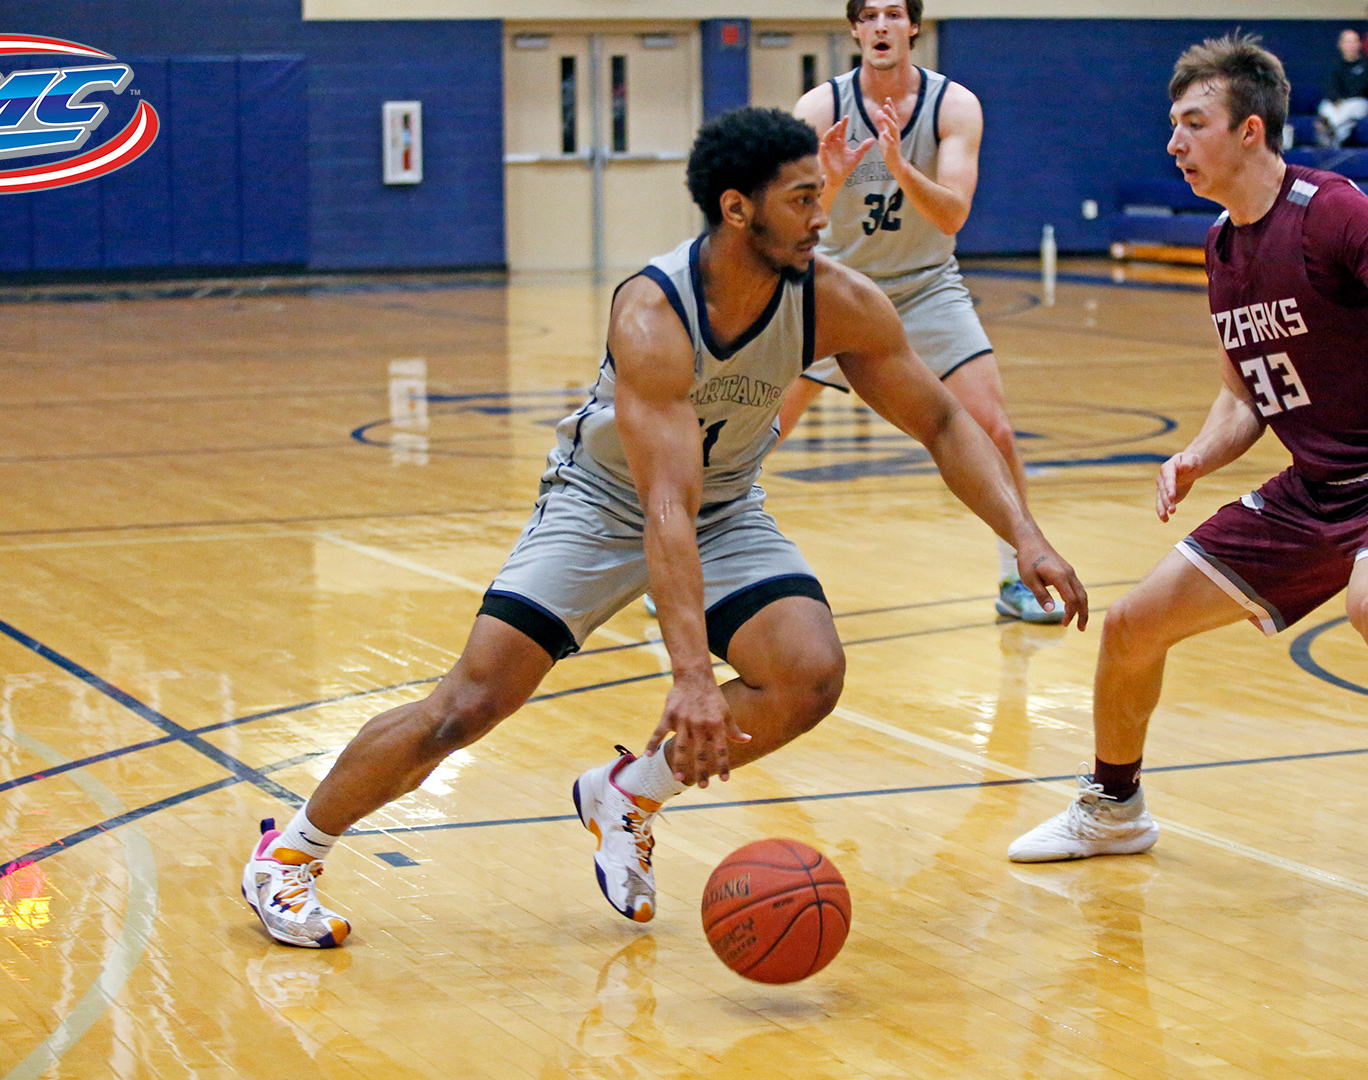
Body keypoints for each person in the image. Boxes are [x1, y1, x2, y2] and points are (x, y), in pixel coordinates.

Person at [238, 106, 1091, 947]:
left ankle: (628, 793)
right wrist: (690, 674)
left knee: (808, 672)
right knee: (467, 706)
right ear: (736, 208)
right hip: (603, 502)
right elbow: (662, 507)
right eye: (800, 199)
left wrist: (1025, 535)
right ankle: (290, 852)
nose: (821, 215)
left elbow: (942, 422)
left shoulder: (838, 300)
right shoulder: (655, 312)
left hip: (722, 507)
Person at [1007, 33, 1368, 927]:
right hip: (1314, 490)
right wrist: (1197, 453)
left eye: (1193, 123)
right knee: (1129, 628)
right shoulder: (1222, 244)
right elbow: (1245, 395)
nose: (1174, 143)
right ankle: (1114, 807)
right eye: (1174, 124)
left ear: (1251, 132)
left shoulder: (1332, 212)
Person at [776, 1, 1055, 623]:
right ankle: (684, 562)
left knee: (995, 429)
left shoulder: (955, 106)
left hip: (926, 286)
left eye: (893, 13)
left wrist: (900, 167)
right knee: (754, 429)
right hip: (838, 287)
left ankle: (1017, 574)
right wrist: (833, 178)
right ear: (854, 29)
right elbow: (790, 215)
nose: (881, 25)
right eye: (869, 14)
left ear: (913, 27)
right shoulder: (819, 109)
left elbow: (953, 214)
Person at [1321, 28, 1368, 145]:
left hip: (1360, 102)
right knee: (1325, 108)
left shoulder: (1367, 65)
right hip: (1339, 105)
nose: (1351, 45)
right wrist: (1336, 100)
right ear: (1341, 44)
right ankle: (1333, 138)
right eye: (1347, 42)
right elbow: (1331, 87)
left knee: (1349, 109)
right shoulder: (1335, 65)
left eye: (1354, 42)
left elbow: (1365, 89)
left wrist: (1344, 102)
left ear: (1359, 44)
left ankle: (1331, 136)